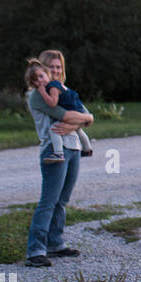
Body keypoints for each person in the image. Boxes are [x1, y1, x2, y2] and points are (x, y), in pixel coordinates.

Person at [24, 49, 95, 267]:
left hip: (73, 147)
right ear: (43, 69)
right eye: (51, 66)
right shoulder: (38, 94)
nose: (55, 70)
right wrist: (83, 119)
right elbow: (64, 115)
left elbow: (89, 117)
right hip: (53, 149)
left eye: (59, 67)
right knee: (49, 201)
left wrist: (82, 119)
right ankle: (35, 250)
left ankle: (55, 244)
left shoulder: (64, 91)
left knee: (62, 201)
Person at [26, 60, 93, 162]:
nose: (39, 81)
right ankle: (87, 149)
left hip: (72, 111)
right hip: (77, 109)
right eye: (36, 80)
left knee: (54, 129)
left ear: (46, 73)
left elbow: (53, 103)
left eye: (41, 76)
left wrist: (44, 93)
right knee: (79, 130)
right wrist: (88, 118)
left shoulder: (52, 86)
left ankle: (58, 153)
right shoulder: (59, 85)